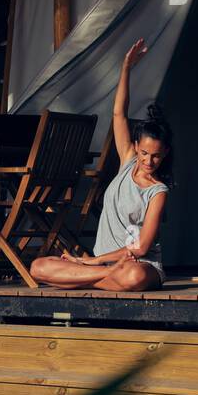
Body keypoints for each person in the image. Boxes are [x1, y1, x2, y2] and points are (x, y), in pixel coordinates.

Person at [30, 39, 170, 291]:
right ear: (137, 147)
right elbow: (119, 114)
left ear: (165, 154)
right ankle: (99, 278)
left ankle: (84, 278)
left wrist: (93, 261)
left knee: (134, 277)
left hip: (137, 264)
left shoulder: (158, 191)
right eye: (145, 153)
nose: (149, 161)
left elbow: (140, 248)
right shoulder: (128, 160)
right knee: (38, 266)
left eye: (156, 156)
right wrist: (126, 67)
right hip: (106, 267)